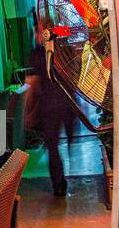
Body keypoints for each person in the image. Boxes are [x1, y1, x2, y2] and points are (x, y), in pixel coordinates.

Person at [25, 24, 79, 197]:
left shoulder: (37, 53)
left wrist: (29, 110)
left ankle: (59, 185)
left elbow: (33, 83)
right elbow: (75, 74)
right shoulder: (66, 49)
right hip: (68, 103)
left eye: (37, 32)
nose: (36, 36)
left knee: (53, 147)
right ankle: (71, 174)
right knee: (68, 141)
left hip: (48, 106)